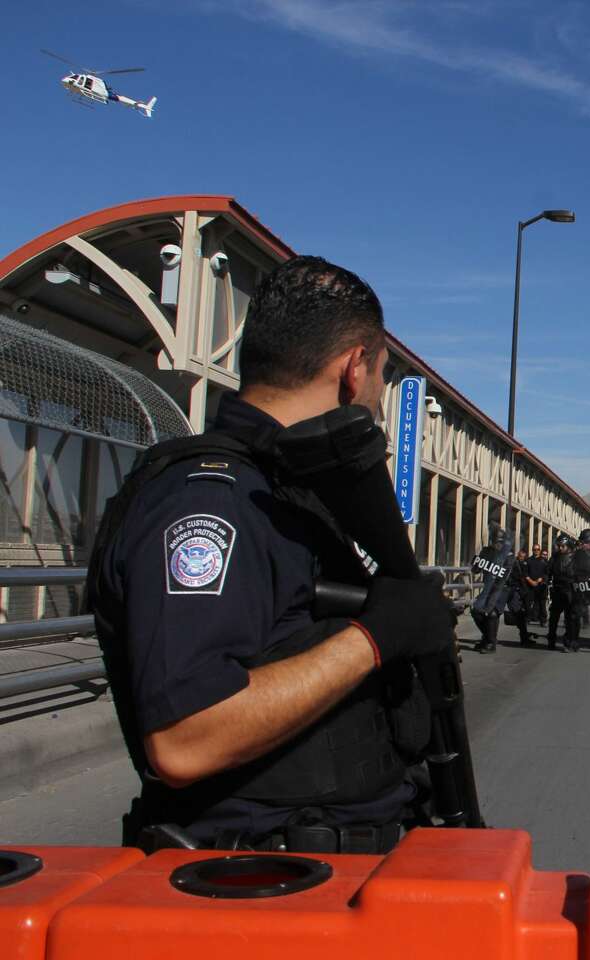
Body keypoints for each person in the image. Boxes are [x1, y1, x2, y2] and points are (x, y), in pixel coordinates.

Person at [87, 255, 455, 852]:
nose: (381, 398)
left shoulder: (287, 491)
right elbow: (186, 738)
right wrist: (375, 639)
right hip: (254, 885)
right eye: (383, 376)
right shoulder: (213, 500)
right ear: (354, 367)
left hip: (316, 870)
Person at [470, 526, 526, 652]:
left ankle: (491, 643)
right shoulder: (486, 552)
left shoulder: (509, 557)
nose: (497, 545)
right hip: (488, 587)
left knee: (492, 612)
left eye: (500, 542)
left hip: (503, 589)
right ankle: (487, 637)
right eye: (495, 542)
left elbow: (515, 575)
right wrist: (476, 562)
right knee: (476, 611)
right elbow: (476, 570)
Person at [545, 536, 576, 650]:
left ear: (568, 546)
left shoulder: (575, 558)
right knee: (553, 617)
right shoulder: (554, 557)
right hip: (557, 589)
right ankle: (551, 640)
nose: (560, 548)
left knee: (569, 619)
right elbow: (547, 571)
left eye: (563, 546)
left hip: (570, 590)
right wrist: (546, 583)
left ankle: (568, 642)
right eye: (559, 546)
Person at [524, 548, 548, 624]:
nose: (536, 551)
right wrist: (531, 581)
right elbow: (525, 573)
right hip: (530, 585)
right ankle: (528, 618)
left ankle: (543, 620)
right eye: (535, 549)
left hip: (541, 586)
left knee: (542, 604)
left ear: (540, 550)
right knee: (528, 603)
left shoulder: (544, 561)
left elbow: (547, 573)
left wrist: (541, 579)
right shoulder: (528, 560)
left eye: (538, 549)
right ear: (532, 550)